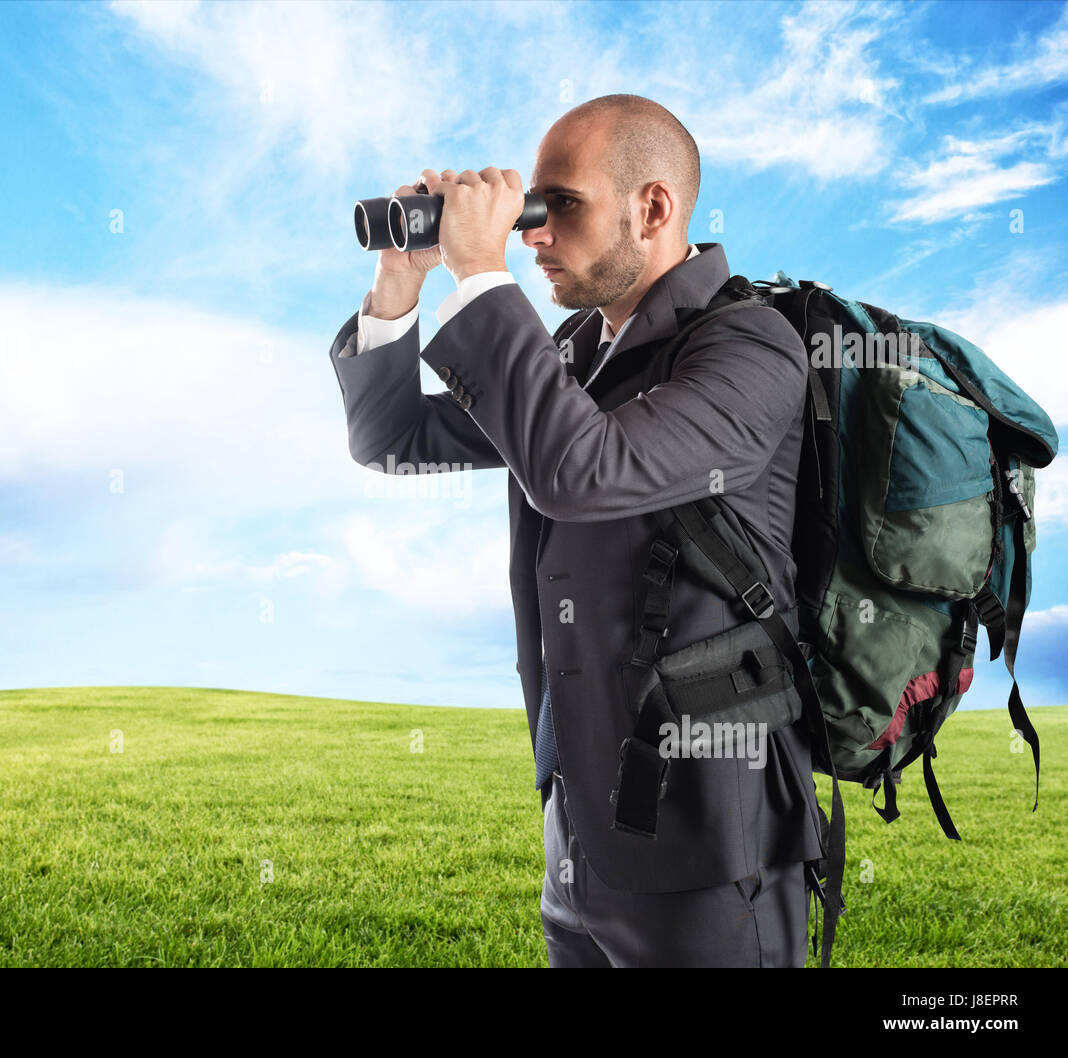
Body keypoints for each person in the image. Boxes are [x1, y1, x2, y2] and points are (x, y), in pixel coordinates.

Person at [327, 94, 825, 967]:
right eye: (530, 211)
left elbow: (581, 472)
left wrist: (480, 276)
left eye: (562, 207)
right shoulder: (573, 357)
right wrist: (402, 282)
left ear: (654, 208)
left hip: (711, 849)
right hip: (580, 837)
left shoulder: (750, 348)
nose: (532, 235)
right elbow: (394, 442)